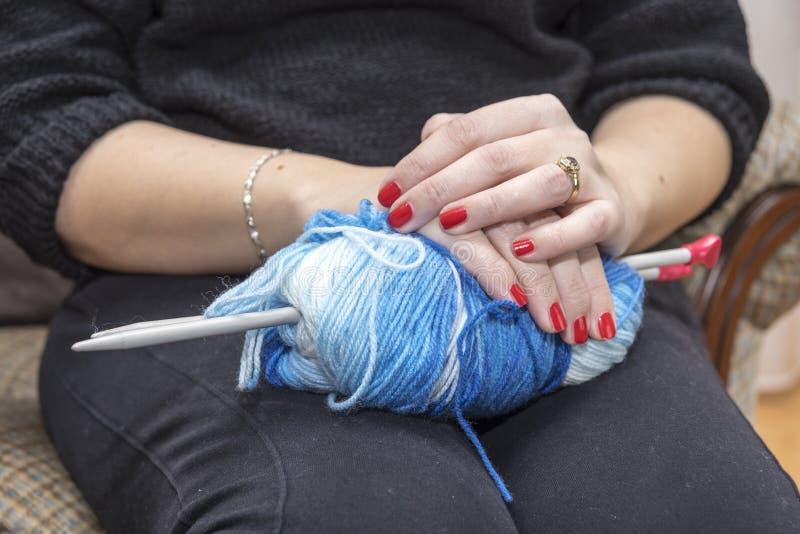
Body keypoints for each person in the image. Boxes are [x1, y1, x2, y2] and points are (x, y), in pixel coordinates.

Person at [1, 0, 798, 531]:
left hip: (550, 268)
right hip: (214, 271)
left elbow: (686, 65)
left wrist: (612, 188)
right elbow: (35, 111)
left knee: (709, 510)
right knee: (363, 512)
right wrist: (359, 204)